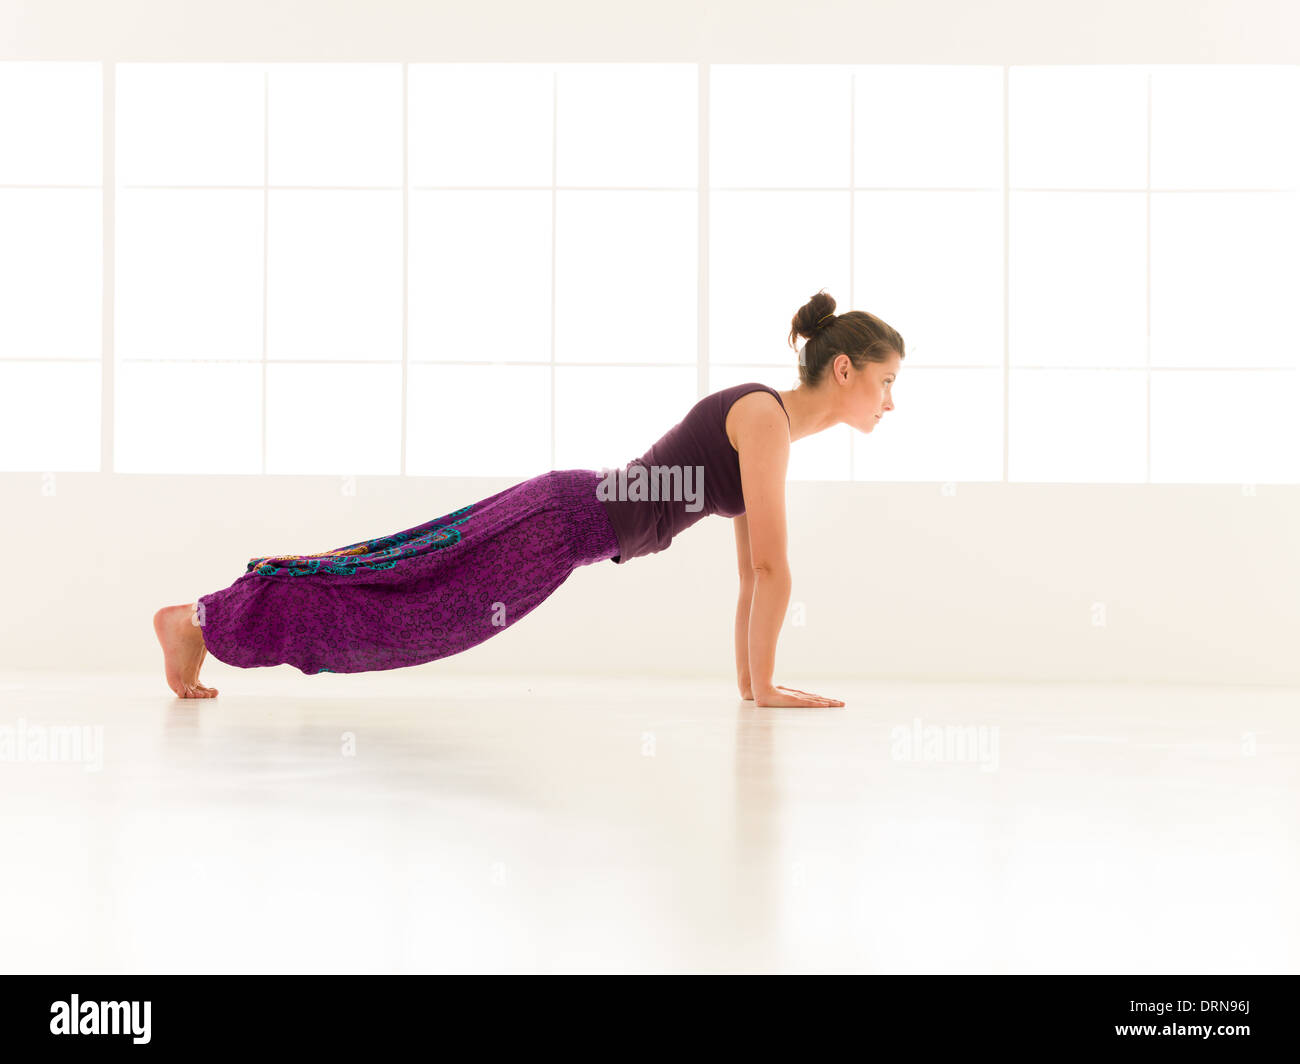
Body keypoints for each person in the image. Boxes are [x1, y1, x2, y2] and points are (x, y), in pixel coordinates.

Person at [153, 289, 904, 708]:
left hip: (565, 526)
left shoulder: (769, 423)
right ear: (844, 369)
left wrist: (751, 684)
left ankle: (206, 619)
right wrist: (766, 688)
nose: (891, 402)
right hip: (563, 523)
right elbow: (773, 570)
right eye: (886, 382)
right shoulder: (765, 418)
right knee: (413, 605)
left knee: (412, 590)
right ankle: (202, 619)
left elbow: (751, 575)